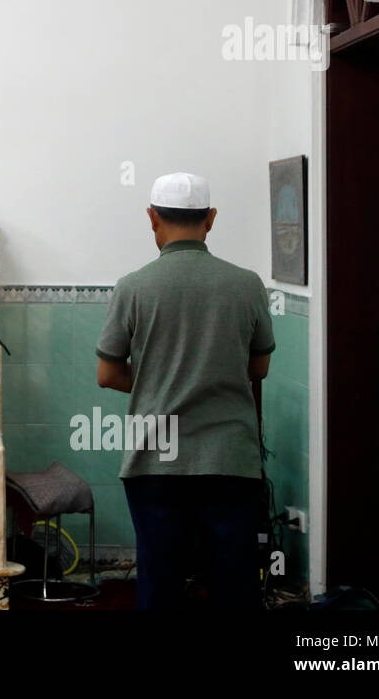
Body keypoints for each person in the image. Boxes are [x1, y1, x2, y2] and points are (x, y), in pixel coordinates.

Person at [95, 171, 274, 609]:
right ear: (210, 219)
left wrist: (160, 378)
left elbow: (107, 373)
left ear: (152, 218)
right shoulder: (246, 284)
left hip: (156, 461)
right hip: (230, 460)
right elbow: (259, 367)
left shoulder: (133, 287)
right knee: (235, 585)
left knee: (160, 581)